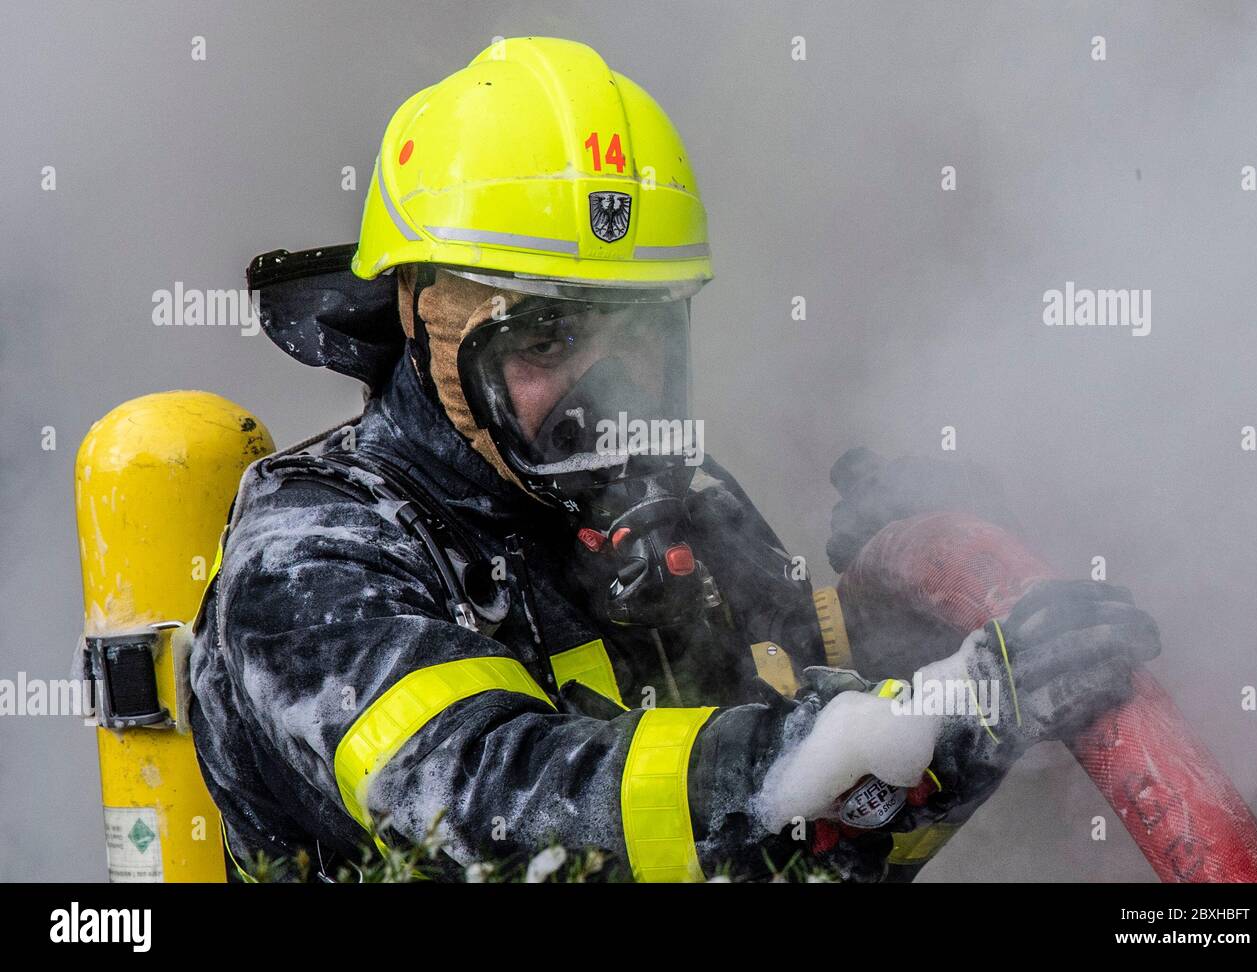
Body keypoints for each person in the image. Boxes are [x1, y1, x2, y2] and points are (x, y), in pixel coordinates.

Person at [188, 36, 1160, 882]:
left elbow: (819, 815)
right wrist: (931, 720)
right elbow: (485, 813)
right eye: (544, 340)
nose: (602, 396)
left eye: (636, 340)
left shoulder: (680, 507)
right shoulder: (315, 557)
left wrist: (921, 633)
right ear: (418, 313)